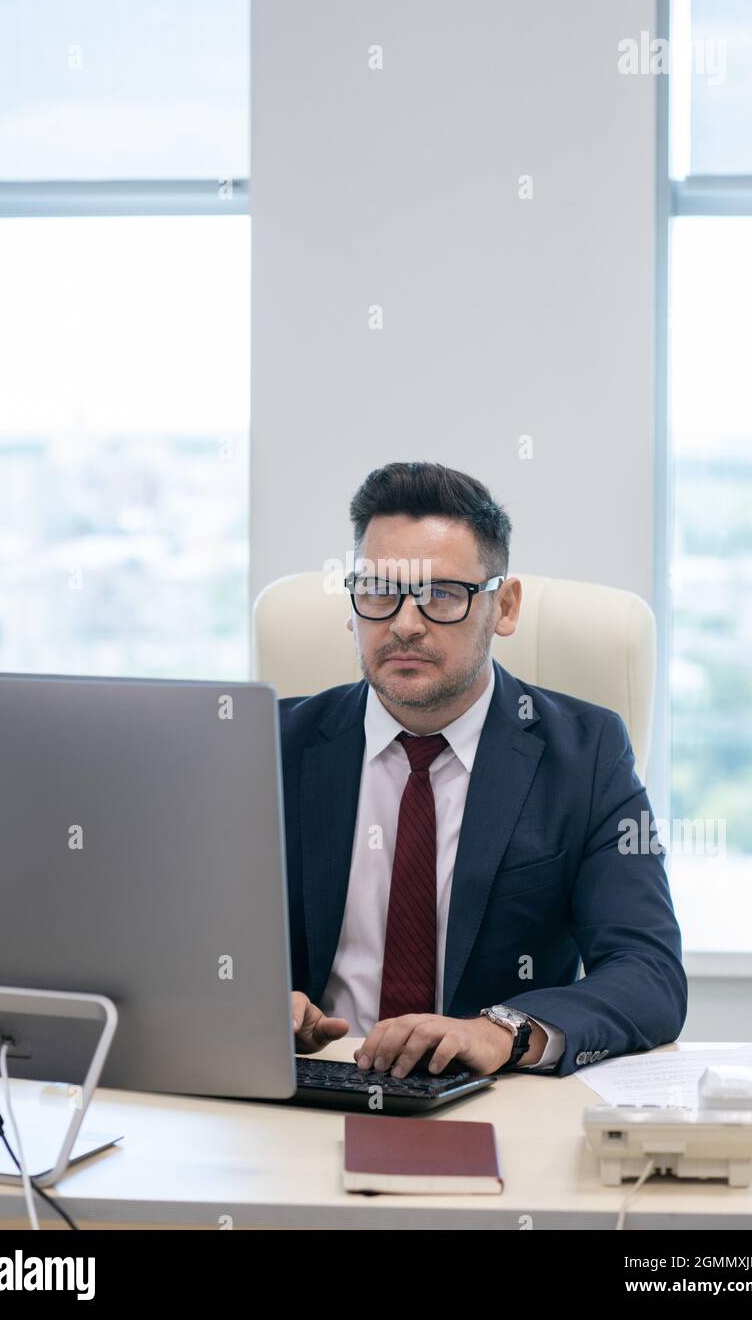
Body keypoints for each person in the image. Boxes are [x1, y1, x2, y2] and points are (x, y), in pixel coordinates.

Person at [283, 461, 686, 1078]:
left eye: (442, 594)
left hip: (493, 1100)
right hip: (302, 1095)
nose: (405, 623)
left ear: (505, 606)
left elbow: (648, 972)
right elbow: (189, 939)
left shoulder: (587, 753)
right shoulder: (275, 747)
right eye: (379, 590)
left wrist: (503, 1032)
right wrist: (244, 1000)